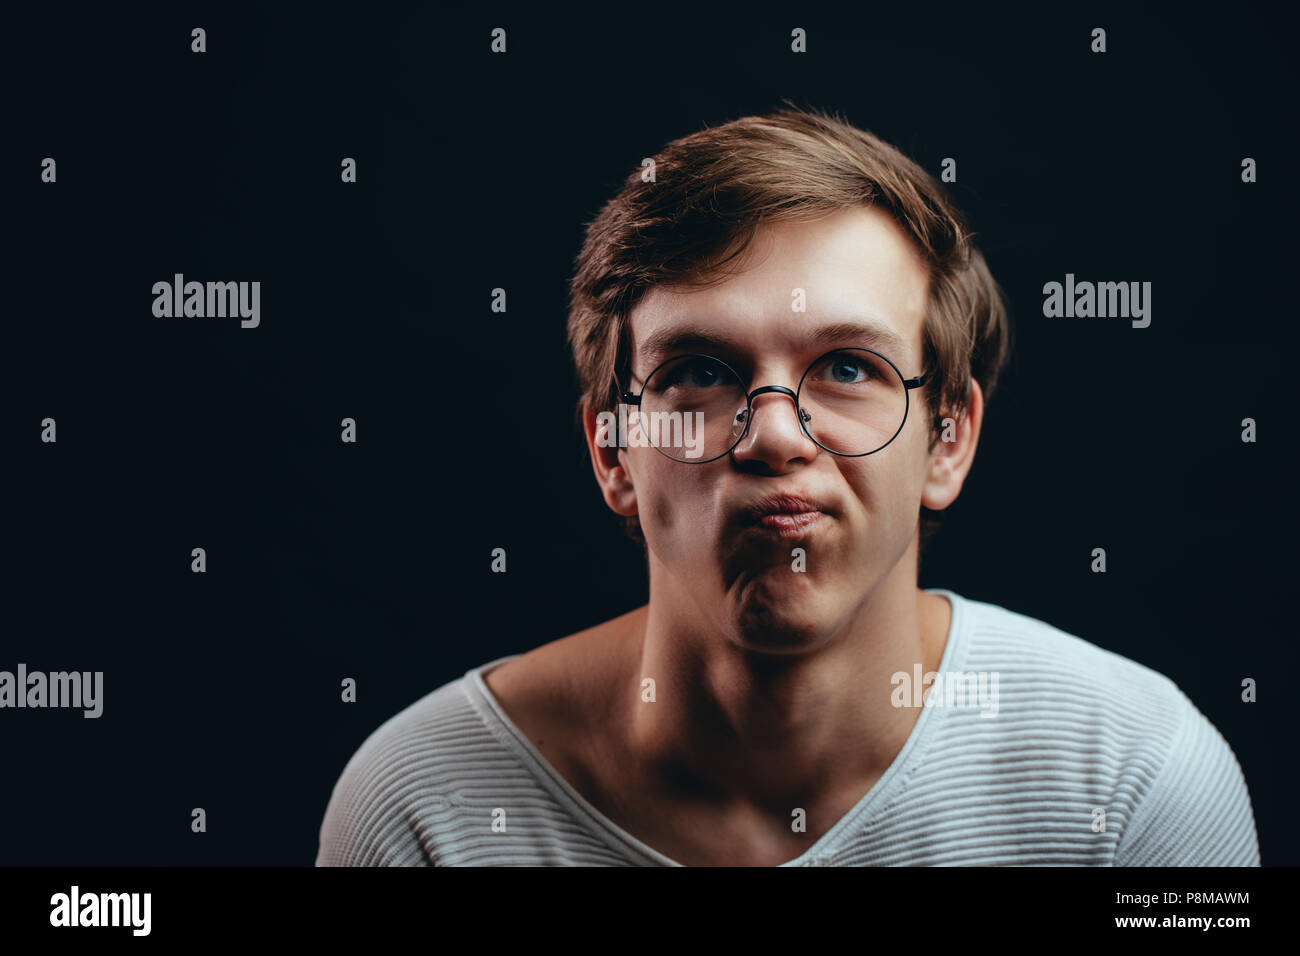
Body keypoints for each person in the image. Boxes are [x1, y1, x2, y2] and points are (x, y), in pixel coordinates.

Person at [316, 105, 1259, 866]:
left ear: (947, 440)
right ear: (613, 451)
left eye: (849, 368)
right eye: (700, 368)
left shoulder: (1138, 783)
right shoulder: (420, 809)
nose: (772, 433)